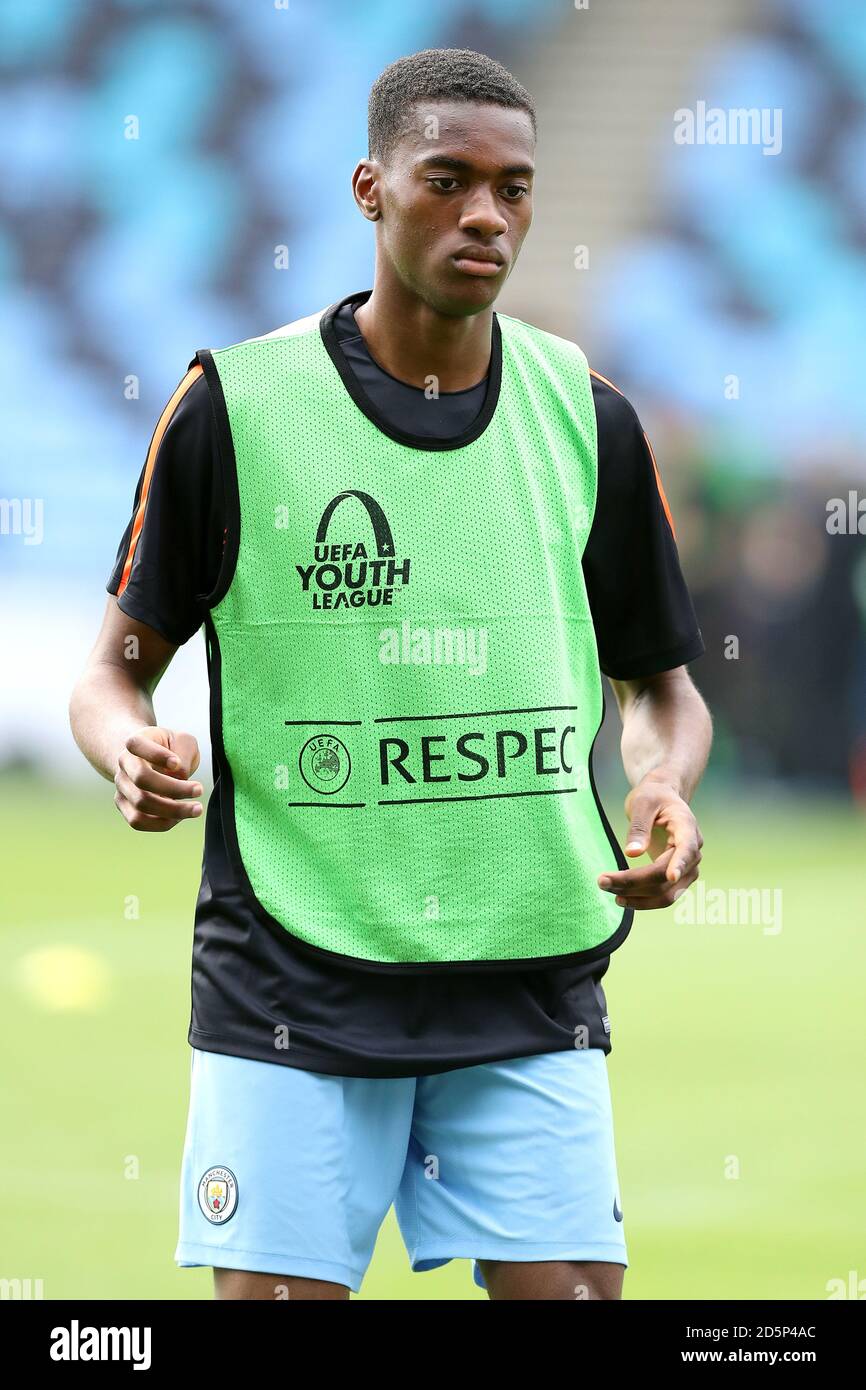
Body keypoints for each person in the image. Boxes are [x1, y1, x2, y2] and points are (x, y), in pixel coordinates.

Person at [69, 47, 712, 1301]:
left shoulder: (588, 415)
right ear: (370, 190)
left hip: (527, 972)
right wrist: (125, 748)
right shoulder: (234, 407)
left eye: (513, 189)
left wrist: (664, 787)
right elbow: (111, 675)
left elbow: (662, 689)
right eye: (449, 180)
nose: (486, 213)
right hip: (292, 981)